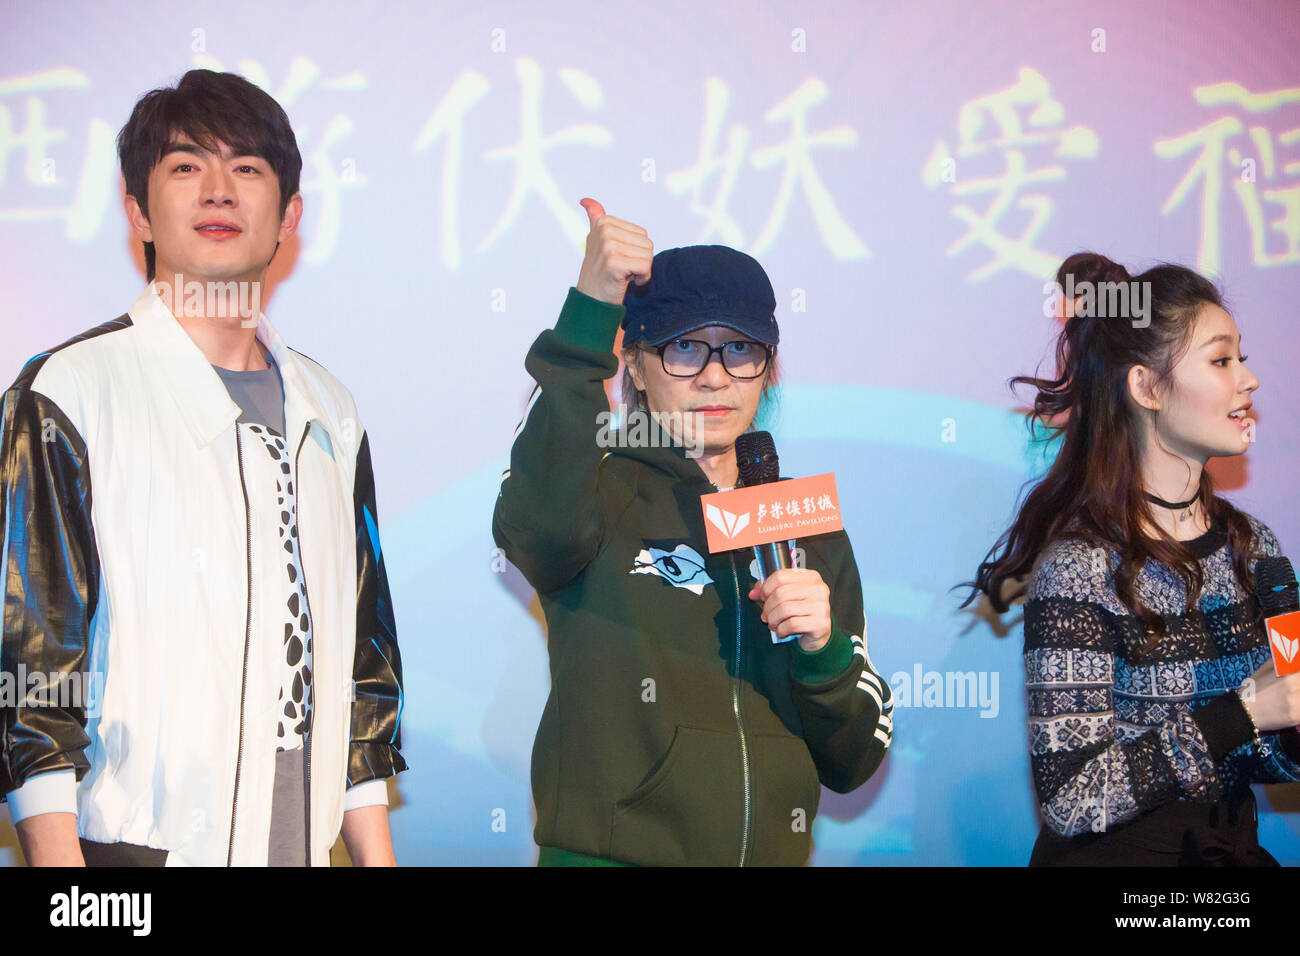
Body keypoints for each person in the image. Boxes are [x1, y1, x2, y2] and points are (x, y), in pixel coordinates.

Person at [0, 69, 406, 866]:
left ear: (289, 214)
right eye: (187, 166)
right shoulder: (73, 390)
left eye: (247, 169)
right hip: (127, 859)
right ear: (137, 210)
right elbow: (30, 668)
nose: (219, 191)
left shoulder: (332, 407)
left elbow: (365, 660)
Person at [491, 198, 892, 866]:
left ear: (767, 367)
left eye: (739, 348)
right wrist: (591, 308)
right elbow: (535, 528)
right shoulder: (596, 485)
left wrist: (822, 650)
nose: (714, 375)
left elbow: (852, 762)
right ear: (636, 365)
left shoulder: (803, 525)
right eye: (685, 347)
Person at [964, 251, 1300, 865]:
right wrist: (1242, 711)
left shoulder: (1257, 547)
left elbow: (1267, 753)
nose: (1248, 381)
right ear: (1145, 386)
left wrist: (1290, 729)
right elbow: (1072, 797)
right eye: (1221, 361)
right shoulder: (1081, 567)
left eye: (1243, 361)